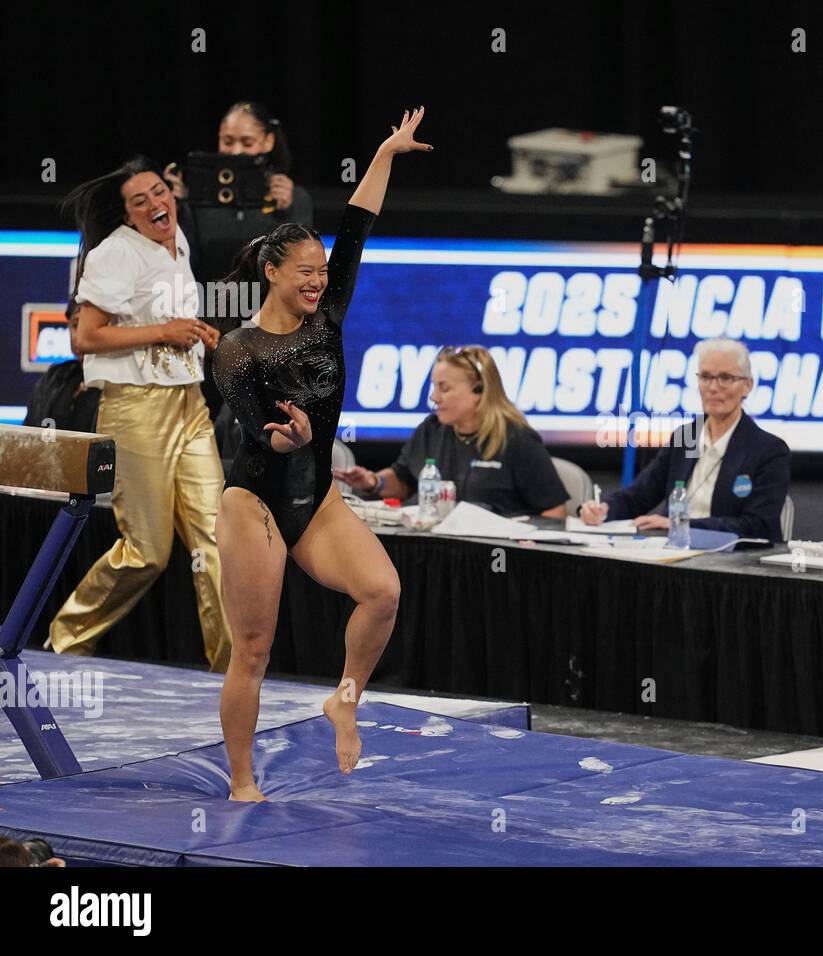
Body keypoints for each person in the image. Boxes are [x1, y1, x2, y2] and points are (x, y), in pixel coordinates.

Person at [212, 106, 431, 802]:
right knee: (254, 650)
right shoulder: (237, 350)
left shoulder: (327, 309)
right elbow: (260, 433)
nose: (316, 282)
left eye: (321, 273)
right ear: (272, 272)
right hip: (255, 503)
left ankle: (345, 697)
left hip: (317, 495)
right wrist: (294, 436)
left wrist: (386, 152)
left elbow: (358, 222)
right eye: (303, 273)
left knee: (383, 593)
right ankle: (242, 779)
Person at [45, 156, 231, 670]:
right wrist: (165, 333)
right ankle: (64, 641)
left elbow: (170, 318)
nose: (155, 203)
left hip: (190, 403)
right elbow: (86, 337)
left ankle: (233, 676)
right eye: (140, 200)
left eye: (159, 192)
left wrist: (196, 337)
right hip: (136, 409)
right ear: (126, 215)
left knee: (218, 543)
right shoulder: (114, 254)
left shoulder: (179, 243)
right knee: (148, 552)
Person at [166, 101, 314, 433]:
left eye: (246, 143)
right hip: (207, 320)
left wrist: (291, 212)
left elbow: (302, 269)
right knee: (195, 427)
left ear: (268, 142)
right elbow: (184, 261)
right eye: (227, 141)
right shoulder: (195, 194)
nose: (235, 151)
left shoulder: (290, 197)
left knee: (262, 429)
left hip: (265, 329)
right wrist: (175, 205)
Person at [578, 337, 791, 542]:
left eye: (726, 378)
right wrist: (603, 509)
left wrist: (681, 524)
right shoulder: (686, 437)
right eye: (706, 377)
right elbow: (638, 496)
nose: (714, 387)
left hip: (732, 561)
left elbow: (758, 526)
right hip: (672, 551)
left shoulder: (768, 450)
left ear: (747, 386)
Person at [333, 345, 568, 517]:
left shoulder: (517, 440)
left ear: (479, 390)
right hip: (444, 553)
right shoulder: (431, 429)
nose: (434, 397)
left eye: (444, 388)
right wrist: (373, 481)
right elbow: (403, 480)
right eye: (434, 387)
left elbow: (554, 511)